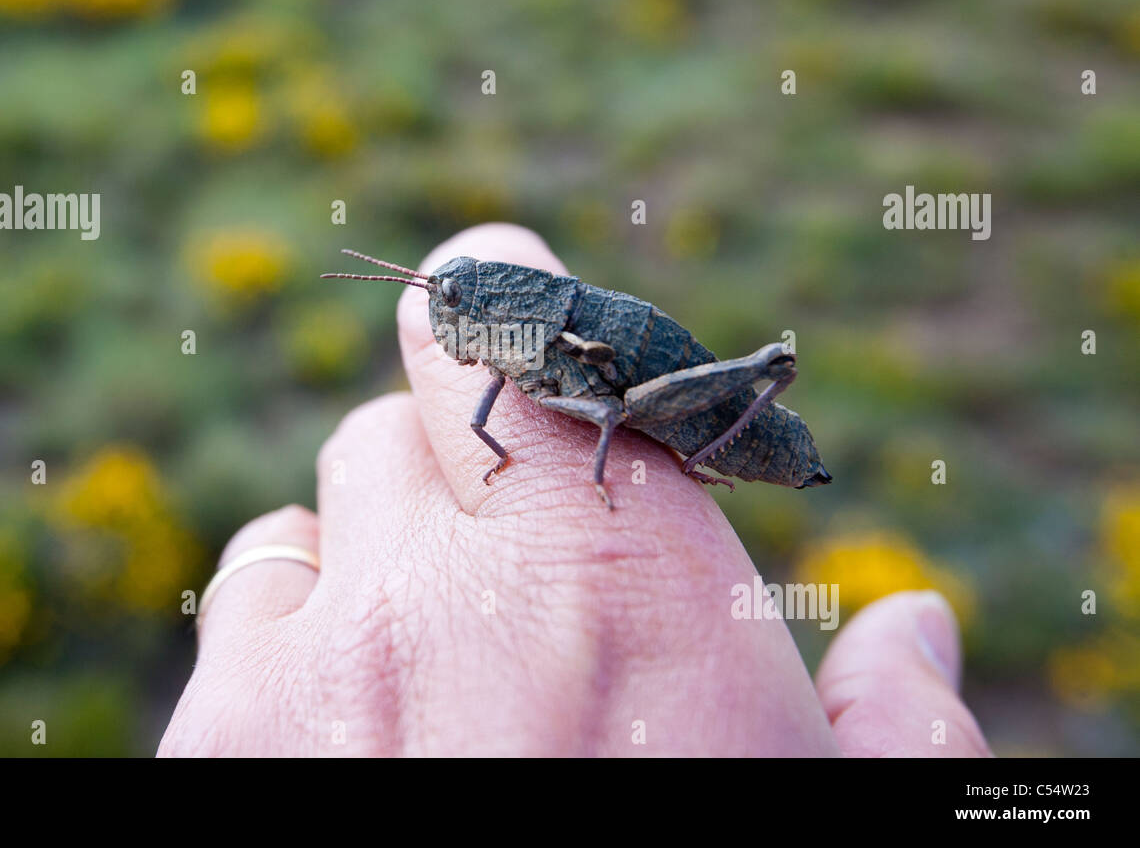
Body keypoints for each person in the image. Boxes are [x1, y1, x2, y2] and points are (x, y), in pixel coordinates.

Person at [158, 224, 992, 757]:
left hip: (695, 405)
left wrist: (608, 478)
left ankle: (731, 437)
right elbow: (491, 402)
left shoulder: (540, 336)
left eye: (454, 303)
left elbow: (601, 412)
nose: (445, 318)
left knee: (677, 394)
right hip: (622, 370)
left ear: (494, 306)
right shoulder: (510, 344)